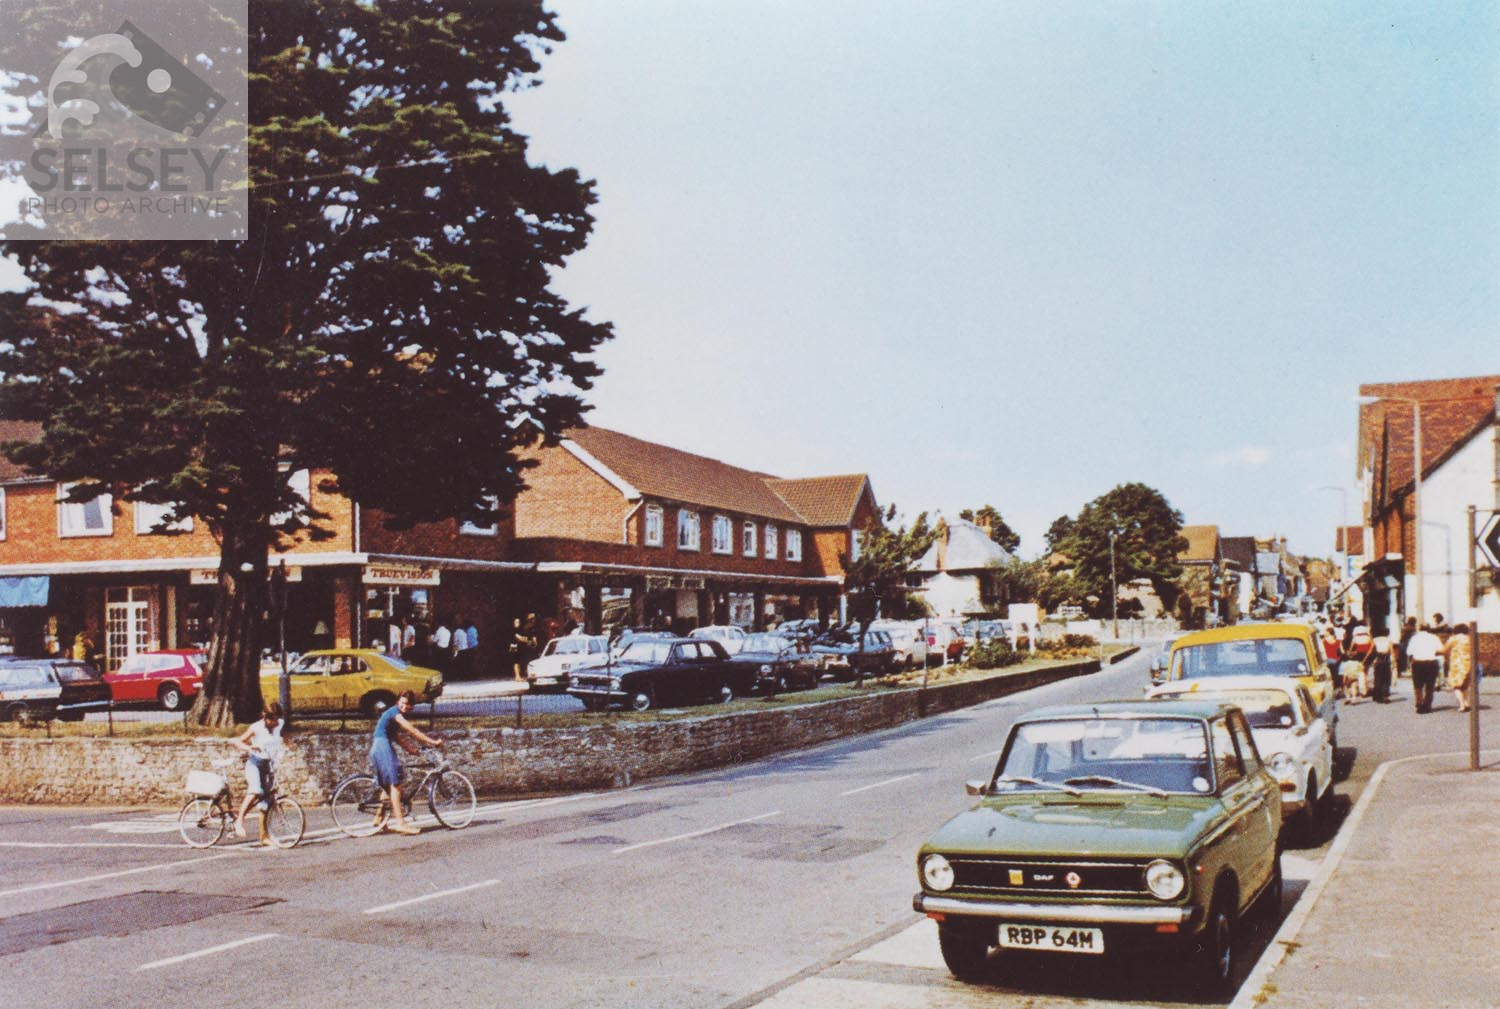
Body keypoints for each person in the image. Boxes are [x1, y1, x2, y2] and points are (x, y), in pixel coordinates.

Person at [368, 690, 444, 835]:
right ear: (398, 703)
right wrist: (433, 742)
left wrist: (412, 749)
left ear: (411, 706)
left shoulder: (394, 717)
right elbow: (412, 731)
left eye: (407, 704)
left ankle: (379, 818)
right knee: (396, 785)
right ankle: (401, 823)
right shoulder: (394, 713)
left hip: (377, 747)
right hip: (382, 746)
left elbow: (397, 737)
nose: (404, 706)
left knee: (388, 786)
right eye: (402, 703)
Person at [232, 702, 286, 845]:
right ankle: (239, 821)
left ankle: (264, 836)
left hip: (268, 766)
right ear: (266, 718)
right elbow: (238, 742)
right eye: (273, 719)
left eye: (277, 719)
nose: (276, 722)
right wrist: (250, 747)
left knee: (265, 801)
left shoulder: (279, 724)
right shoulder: (256, 727)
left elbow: (282, 738)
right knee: (256, 790)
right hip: (254, 763)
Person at [1406, 623, 1443, 714]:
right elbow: (1441, 650)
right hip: (1431, 662)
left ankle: (1419, 703)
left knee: (1418, 685)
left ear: (1419, 628)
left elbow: (1409, 652)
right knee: (1430, 686)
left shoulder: (1414, 638)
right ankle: (1427, 705)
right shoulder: (1434, 638)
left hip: (1418, 662)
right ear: (1429, 629)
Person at [1443, 625, 1475, 713]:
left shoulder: (1453, 639)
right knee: (1465, 685)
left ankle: (1462, 705)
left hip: (1457, 665)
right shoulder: (1470, 639)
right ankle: (1467, 703)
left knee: (1456, 685)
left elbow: (1444, 649)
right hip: (1468, 664)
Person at [1368, 627, 1394, 703]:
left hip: (1378, 659)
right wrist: (1394, 661)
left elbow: (1371, 651)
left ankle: (1378, 696)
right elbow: (1391, 651)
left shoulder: (1375, 640)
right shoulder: (1389, 640)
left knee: (1378, 678)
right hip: (1386, 659)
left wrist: (1365, 660)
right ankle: (1385, 695)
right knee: (1386, 677)